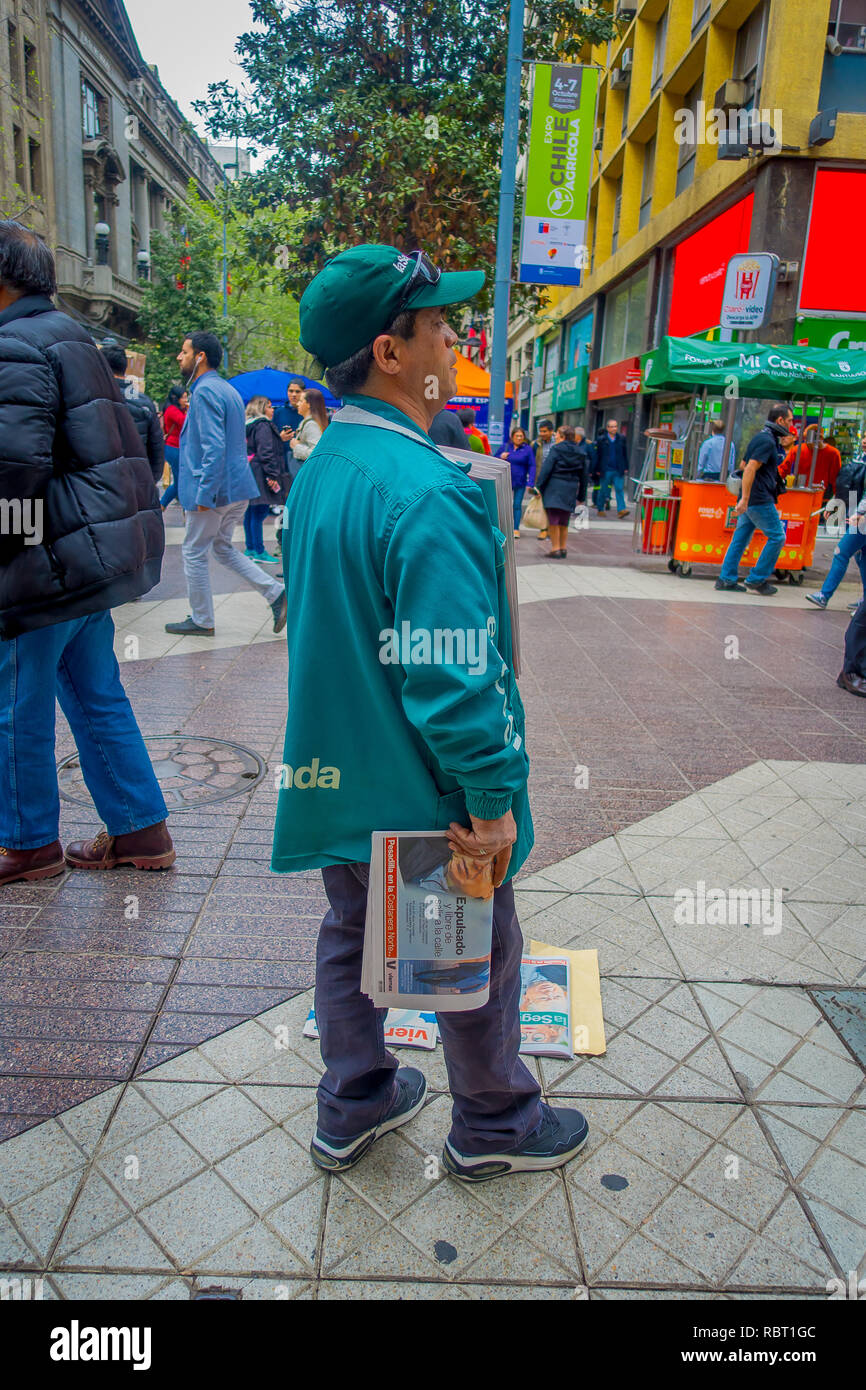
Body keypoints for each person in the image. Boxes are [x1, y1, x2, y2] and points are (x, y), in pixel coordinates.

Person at [272, 242, 587, 1180]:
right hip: (419, 789)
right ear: (391, 351)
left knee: (351, 935)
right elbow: (453, 677)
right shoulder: (426, 491)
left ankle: (353, 1102)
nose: (455, 335)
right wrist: (489, 800)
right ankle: (494, 1123)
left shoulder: (326, 466)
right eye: (440, 323)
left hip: (336, 779)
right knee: (472, 949)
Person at [0, 219, 174, 886]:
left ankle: (27, 842)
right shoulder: (71, 336)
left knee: (17, 704)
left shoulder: (14, 344)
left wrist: (6, 553)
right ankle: (140, 830)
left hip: (42, 565)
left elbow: (12, 468)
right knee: (96, 695)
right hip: (89, 562)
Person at [164, 331, 288, 638]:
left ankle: (202, 619)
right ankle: (276, 592)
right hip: (237, 487)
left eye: (184, 352)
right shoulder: (227, 389)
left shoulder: (205, 392)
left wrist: (204, 492)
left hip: (217, 489)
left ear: (200, 356)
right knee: (221, 547)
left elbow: (213, 446)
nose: (180, 357)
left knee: (194, 551)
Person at [716, 403, 795, 596]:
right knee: (778, 537)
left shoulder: (762, 438)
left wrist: (745, 497)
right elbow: (749, 467)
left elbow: (743, 464)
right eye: (790, 420)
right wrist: (746, 498)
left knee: (740, 537)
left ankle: (726, 579)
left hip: (753, 498)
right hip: (759, 499)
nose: (792, 424)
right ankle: (756, 579)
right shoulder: (767, 441)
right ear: (780, 420)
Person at [101, 342, 165, 486]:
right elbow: (157, 448)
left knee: (37, 505)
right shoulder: (144, 402)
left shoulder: (94, 399)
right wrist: (149, 481)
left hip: (103, 485)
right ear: (125, 367)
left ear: (101, 367)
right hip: (136, 482)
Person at [243, 395, 289, 564]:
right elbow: (266, 452)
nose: (272, 410)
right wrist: (272, 475)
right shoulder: (263, 425)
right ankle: (259, 550)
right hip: (261, 473)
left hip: (251, 471)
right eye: (270, 407)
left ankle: (251, 548)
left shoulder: (249, 424)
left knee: (251, 511)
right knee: (259, 511)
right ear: (262, 408)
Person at [805, 496, 866, 610]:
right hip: (855, 509)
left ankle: (824, 595)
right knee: (862, 556)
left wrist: (859, 514)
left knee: (841, 553)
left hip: (859, 515)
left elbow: (851, 486)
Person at [535, 424, 584, 558]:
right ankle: (563, 547)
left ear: (562, 436)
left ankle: (555, 548)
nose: (555, 436)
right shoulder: (580, 451)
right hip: (571, 487)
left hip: (554, 486)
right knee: (564, 519)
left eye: (557, 434)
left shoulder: (556, 449)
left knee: (553, 519)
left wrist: (539, 485)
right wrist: (581, 495)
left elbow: (547, 468)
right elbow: (584, 475)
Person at [781, 426, 842, 502]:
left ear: (820, 438)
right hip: (800, 495)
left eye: (810, 440)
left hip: (822, 498)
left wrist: (838, 499)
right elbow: (783, 469)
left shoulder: (833, 453)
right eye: (806, 439)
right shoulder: (797, 449)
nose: (807, 442)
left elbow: (836, 479)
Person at [496, 425, 536, 537]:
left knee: (517, 505)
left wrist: (531, 482)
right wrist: (501, 456)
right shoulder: (505, 447)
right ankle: (503, 528)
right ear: (512, 436)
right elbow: (494, 459)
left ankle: (515, 529)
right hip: (506, 481)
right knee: (504, 505)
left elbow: (532, 465)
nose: (519, 438)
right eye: (517, 436)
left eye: (521, 436)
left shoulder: (527, 449)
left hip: (520, 481)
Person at [595, 418, 630, 518]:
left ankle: (621, 510)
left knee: (619, 489)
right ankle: (600, 508)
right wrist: (597, 469)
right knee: (604, 490)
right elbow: (598, 455)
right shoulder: (601, 440)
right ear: (607, 428)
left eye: (615, 426)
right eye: (612, 426)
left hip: (618, 469)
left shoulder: (621, 438)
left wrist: (626, 467)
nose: (614, 428)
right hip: (605, 469)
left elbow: (624, 454)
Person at [160, 384, 188, 509]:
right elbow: (184, 422)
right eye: (183, 398)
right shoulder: (172, 410)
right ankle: (162, 504)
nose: (185, 401)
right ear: (175, 398)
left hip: (177, 447)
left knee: (180, 481)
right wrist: (189, 410)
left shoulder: (176, 409)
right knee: (180, 482)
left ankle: (164, 504)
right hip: (173, 447)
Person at [289, 386, 328, 467]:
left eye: (301, 401)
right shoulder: (311, 422)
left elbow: (316, 453)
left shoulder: (311, 425)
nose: (297, 404)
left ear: (308, 404)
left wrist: (296, 446)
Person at [273, 377, 305, 470]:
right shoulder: (278, 413)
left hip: (303, 461)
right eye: (291, 391)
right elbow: (270, 439)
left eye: (297, 391)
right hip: (282, 463)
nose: (293, 394)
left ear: (303, 393)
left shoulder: (308, 414)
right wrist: (279, 438)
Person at [533, 421, 555, 539]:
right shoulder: (536, 444)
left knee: (552, 504)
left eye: (544, 431)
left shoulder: (557, 443)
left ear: (551, 431)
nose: (542, 434)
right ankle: (543, 529)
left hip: (555, 478)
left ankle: (552, 528)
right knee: (542, 503)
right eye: (540, 431)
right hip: (541, 477)